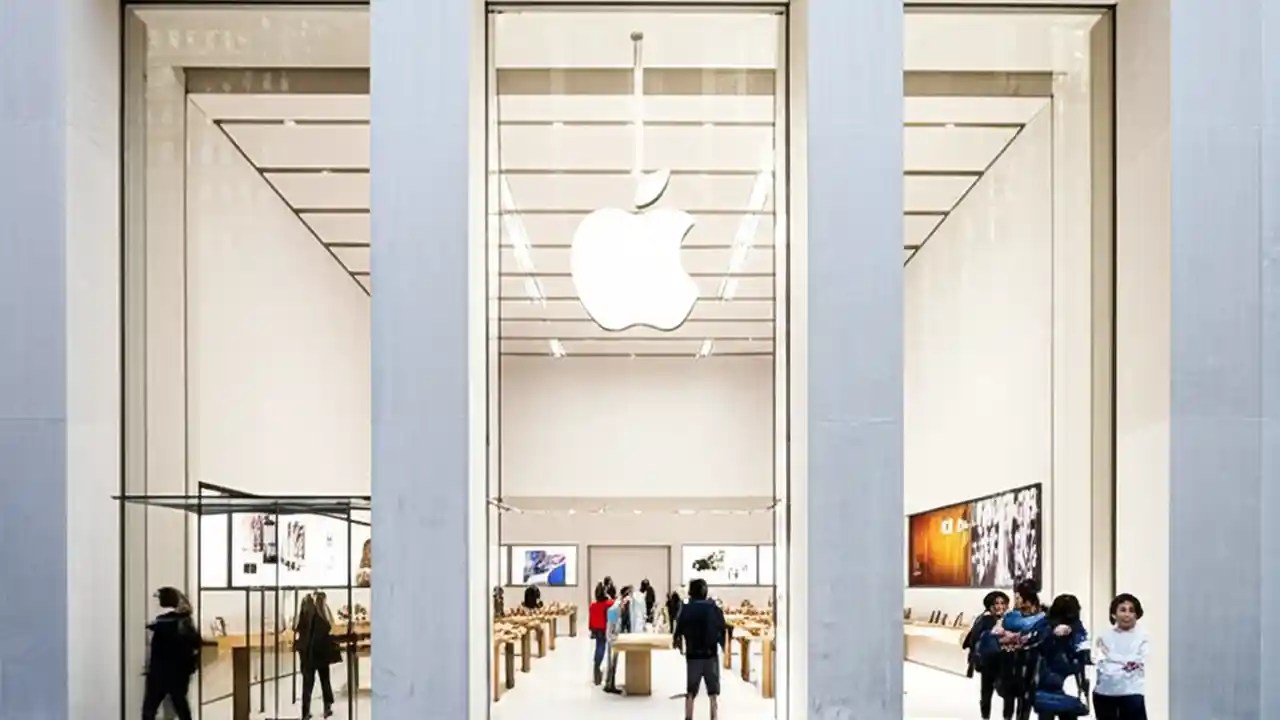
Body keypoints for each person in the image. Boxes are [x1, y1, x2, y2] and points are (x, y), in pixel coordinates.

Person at [143, 587, 201, 720]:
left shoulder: (161, 622)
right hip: (179, 674)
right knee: (181, 708)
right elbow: (196, 642)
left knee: (149, 710)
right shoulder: (184, 620)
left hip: (159, 673)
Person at [674, 579, 726, 720]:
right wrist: (722, 645)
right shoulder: (714, 608)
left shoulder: (686, 608)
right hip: (711, 654)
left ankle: (688, 716)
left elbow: (678, 630)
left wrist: (678, 643)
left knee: (691, 691)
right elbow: (722, 628)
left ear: (691, 592)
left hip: (693, 655)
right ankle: (713, 717)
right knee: (713, 692)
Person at [1094, 593, 1148, 720]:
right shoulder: (1104, 636)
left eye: (1131, 611)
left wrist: (1113, 660)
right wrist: (1123, 663)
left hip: (1132, 692)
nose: (1127, 615)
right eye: (1122, 610)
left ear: (1136, 615)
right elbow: (1100, 661)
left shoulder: (1143, 637)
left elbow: (1138, 660)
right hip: (1105, 692)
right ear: (1114, 614)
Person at [963, 590, 1013, 720]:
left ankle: (1007, 717)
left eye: (1003, 603)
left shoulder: (1011, 620)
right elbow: (974, 641)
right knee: (986, 694)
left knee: (1008, 693)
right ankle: (985, 717)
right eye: (996, 603)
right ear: (990, 606)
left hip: (1006, 662)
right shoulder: (984, 621)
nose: (1000, 606)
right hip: (988, 663)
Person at [301, 591, 340, 719]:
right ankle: (327, 708)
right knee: (325, 680)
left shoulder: (305, 609)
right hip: (321, 652)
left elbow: (296, 626)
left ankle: (305, 712)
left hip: (307, 653)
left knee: (307, 683)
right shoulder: (324, 610)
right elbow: (332, 625)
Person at [603, 585, 633, 694]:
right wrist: (612, 638)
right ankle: (608, 685)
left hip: (615, 637)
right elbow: (610, 626)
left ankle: (610, 683)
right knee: (611, 662)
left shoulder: (620, 607)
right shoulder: (614, 609)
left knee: (613, 662)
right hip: (612, 638)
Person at [588, 583, 613, 685]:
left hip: (596, 629)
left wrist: (591, 629)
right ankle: (603, 672)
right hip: (604, 629)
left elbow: (591, 619)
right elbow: (613, 602)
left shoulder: (593, 606)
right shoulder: (608, 604)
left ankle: (596, 670)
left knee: (599, 647)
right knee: (603, 649)